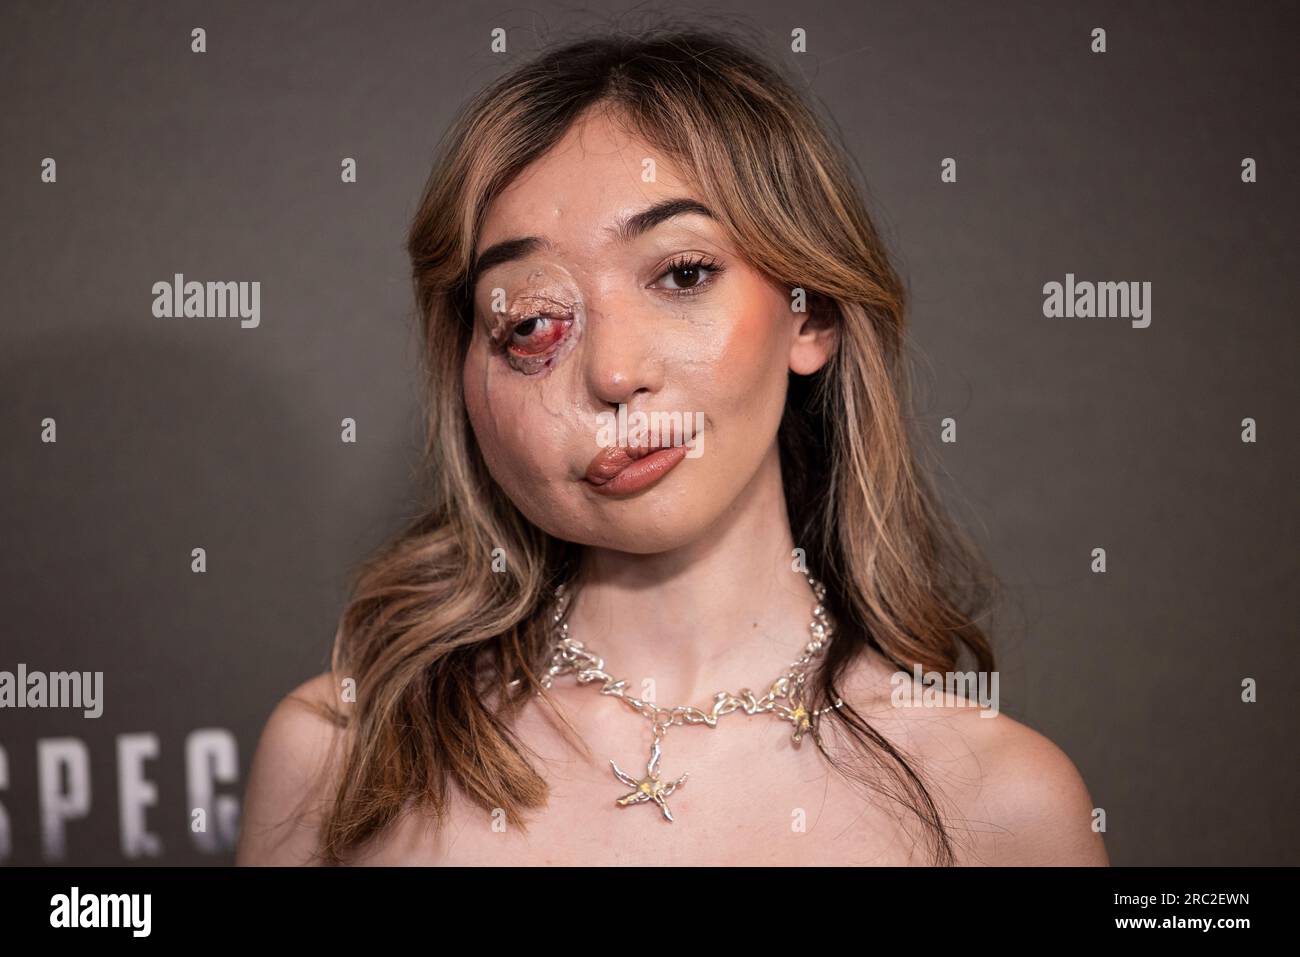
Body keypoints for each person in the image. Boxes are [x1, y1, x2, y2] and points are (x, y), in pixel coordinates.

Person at [236, 26, 1108, 866]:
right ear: (465, 379)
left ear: (813, 314)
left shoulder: (1003, 803)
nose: (614, 371)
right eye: (533, 320)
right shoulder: (337, 760)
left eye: (683, 274)